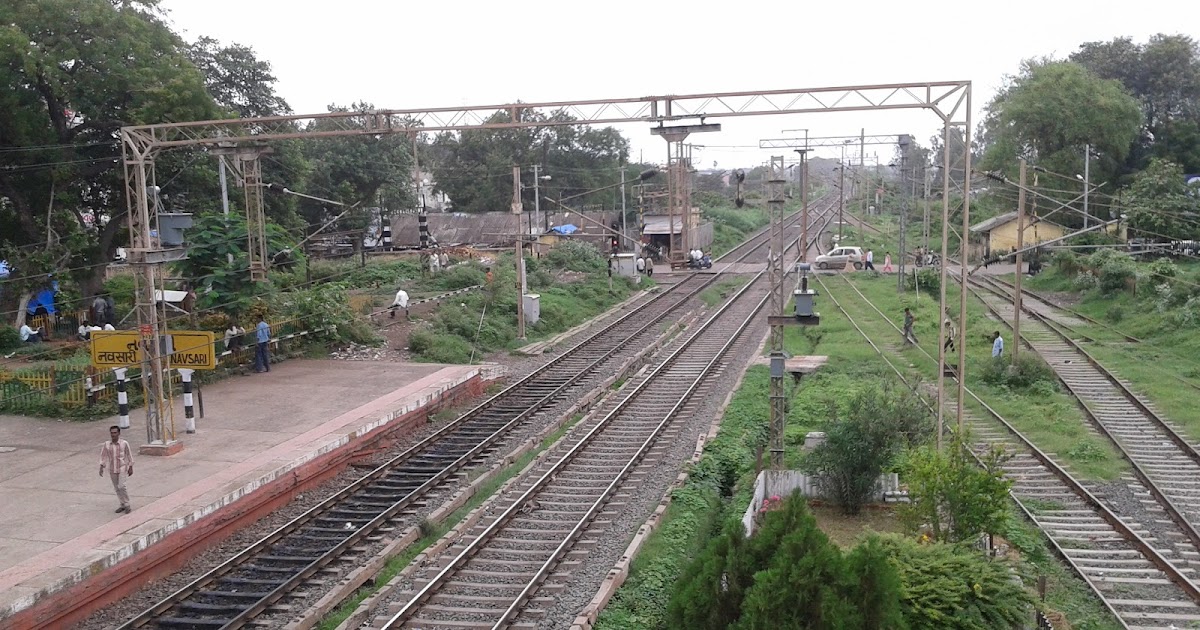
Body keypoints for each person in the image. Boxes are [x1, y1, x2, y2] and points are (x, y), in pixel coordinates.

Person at [99, 425, 134, 513]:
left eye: (115, 433)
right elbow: (103, 456)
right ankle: (122, 504)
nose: (113, 435)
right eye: (112, 433)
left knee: (122, 486)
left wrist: (131, 466)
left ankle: (127, 504)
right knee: (116, 487)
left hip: (122, 467)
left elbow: (129, 455)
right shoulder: (107, 444)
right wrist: (101, 467)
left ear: (119, 433)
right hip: (112, 469)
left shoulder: (124, 443)